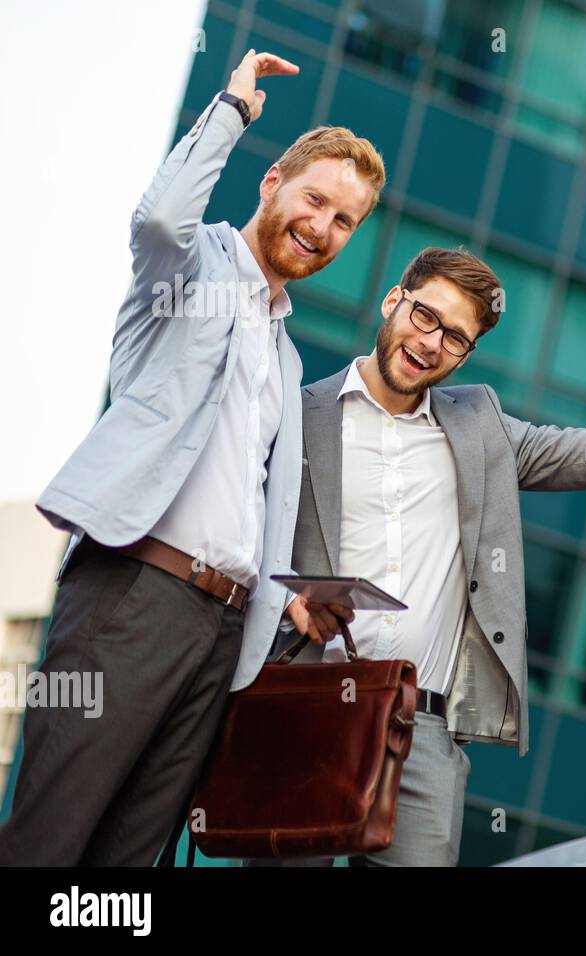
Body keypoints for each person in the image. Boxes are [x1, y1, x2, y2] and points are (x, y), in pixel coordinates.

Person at [0, 50, 386, 866]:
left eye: (345, 221)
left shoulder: (284, 354)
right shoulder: (191, 266)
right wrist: (232, 110)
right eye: (315, 199)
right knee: (50, 842)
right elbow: (159, 218)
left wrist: (283, 602)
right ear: (271, 182)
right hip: (133, 599)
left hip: (223, 636)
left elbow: (241, 497)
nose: (323, 227)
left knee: (129, 865)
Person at [266, 242, 586, 866]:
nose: (431, 342)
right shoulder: (297, 413)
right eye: (425, 316)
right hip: (308, 705)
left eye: (455, 337)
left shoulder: (482, 425)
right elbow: (241, 539)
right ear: (394, 299)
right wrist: (290, 602)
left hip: (423, 730)